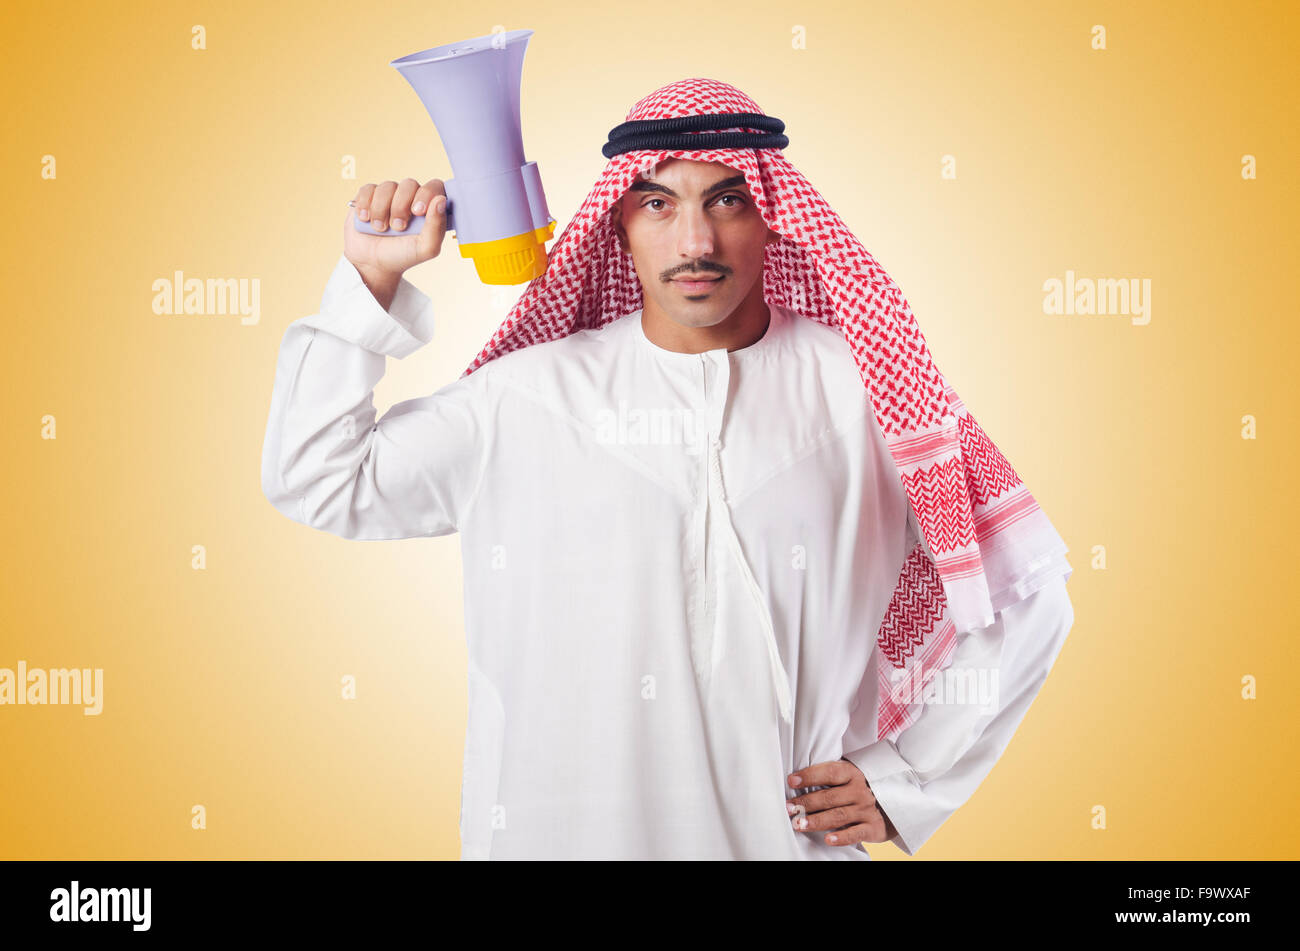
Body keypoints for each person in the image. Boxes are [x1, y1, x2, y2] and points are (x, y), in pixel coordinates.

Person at [260, 78, 1075, 860]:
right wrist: (368, 279)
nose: (697, 242)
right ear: (616, 226)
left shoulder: (865, 388)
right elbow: (316, 476)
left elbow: (1028, 587)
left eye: (729, 199)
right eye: (658, 202)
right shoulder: (524, 397)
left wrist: (907, 779)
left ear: (777, 219)